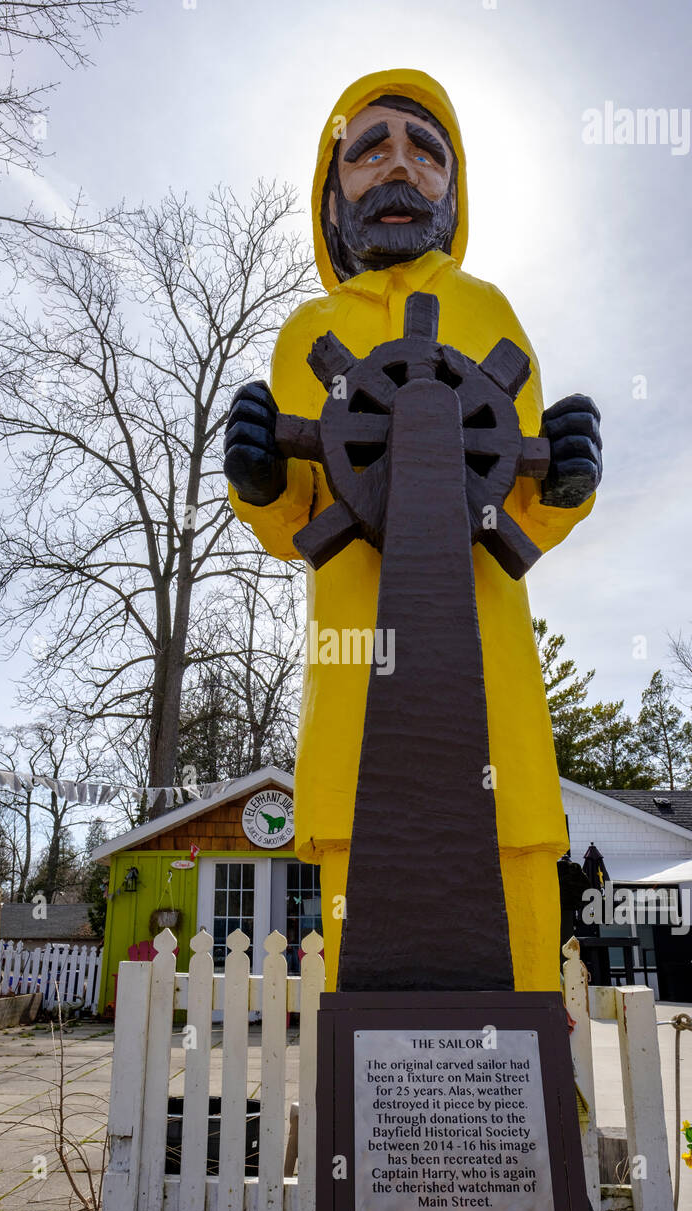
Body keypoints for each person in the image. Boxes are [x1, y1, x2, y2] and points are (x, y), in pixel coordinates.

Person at [224, 70, 602, 991]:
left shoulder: (490, 314)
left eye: (425, 152)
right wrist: (262, 480)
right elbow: (304, 518)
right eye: (370, 150)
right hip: (358, 681)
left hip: (489, 677)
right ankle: (369, 1123)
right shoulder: (305, 331)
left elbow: (520, 504)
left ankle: (535, 1126)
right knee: (367, 920)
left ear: (454, 188)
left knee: (514, 886)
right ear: (333, 189)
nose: (399, 167)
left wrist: (568, 476)